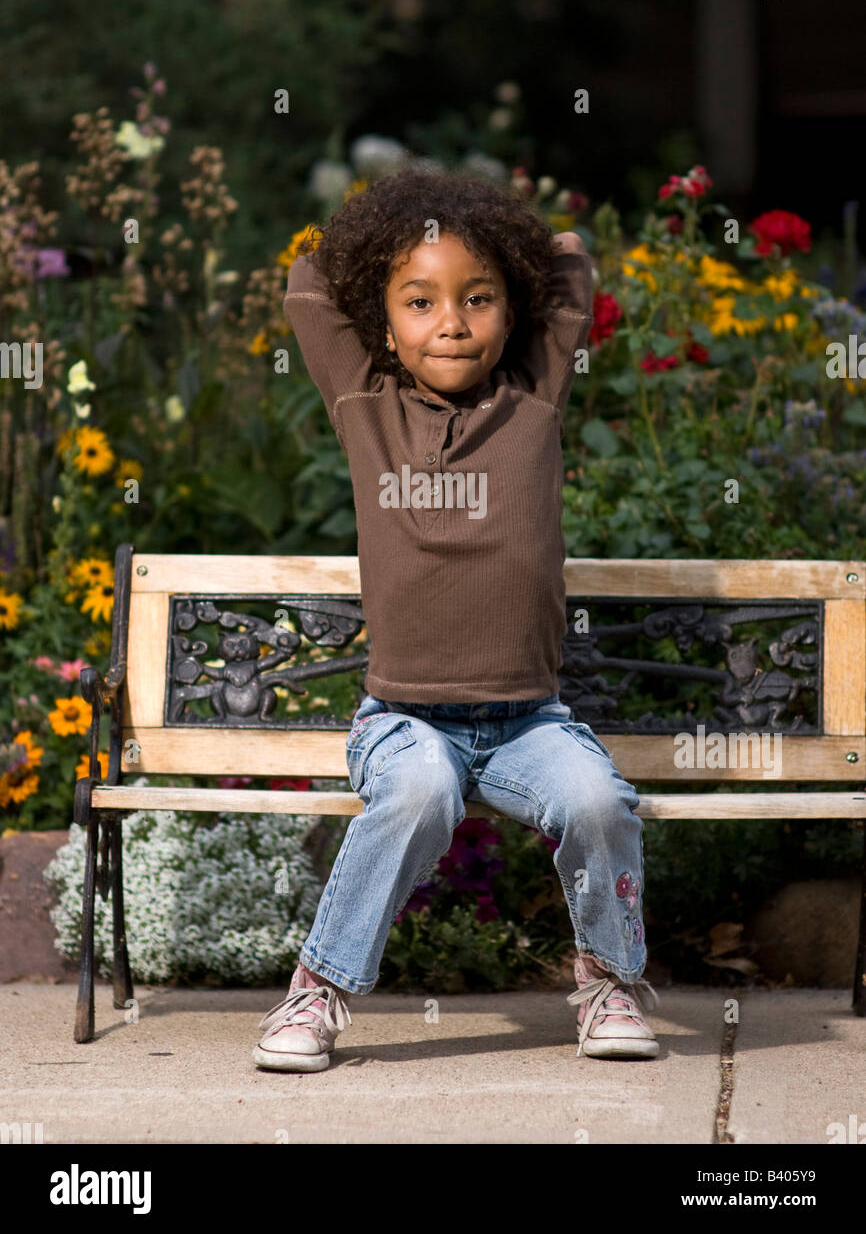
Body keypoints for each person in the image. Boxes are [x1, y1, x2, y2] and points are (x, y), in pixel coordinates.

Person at [253, 166, 659, 1073]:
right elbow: (308, 280)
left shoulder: (534, 402)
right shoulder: (366, 403)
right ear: (383, 324)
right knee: (420, 793)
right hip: (404, 720)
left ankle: (607, 983)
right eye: (420, 301)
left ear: (512, 312)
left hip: (528, 721)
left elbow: (571, 263)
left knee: (597, 800)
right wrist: (382, 252)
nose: (452, 321)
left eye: (479, 299)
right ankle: (315, 994)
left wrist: (494, 242)